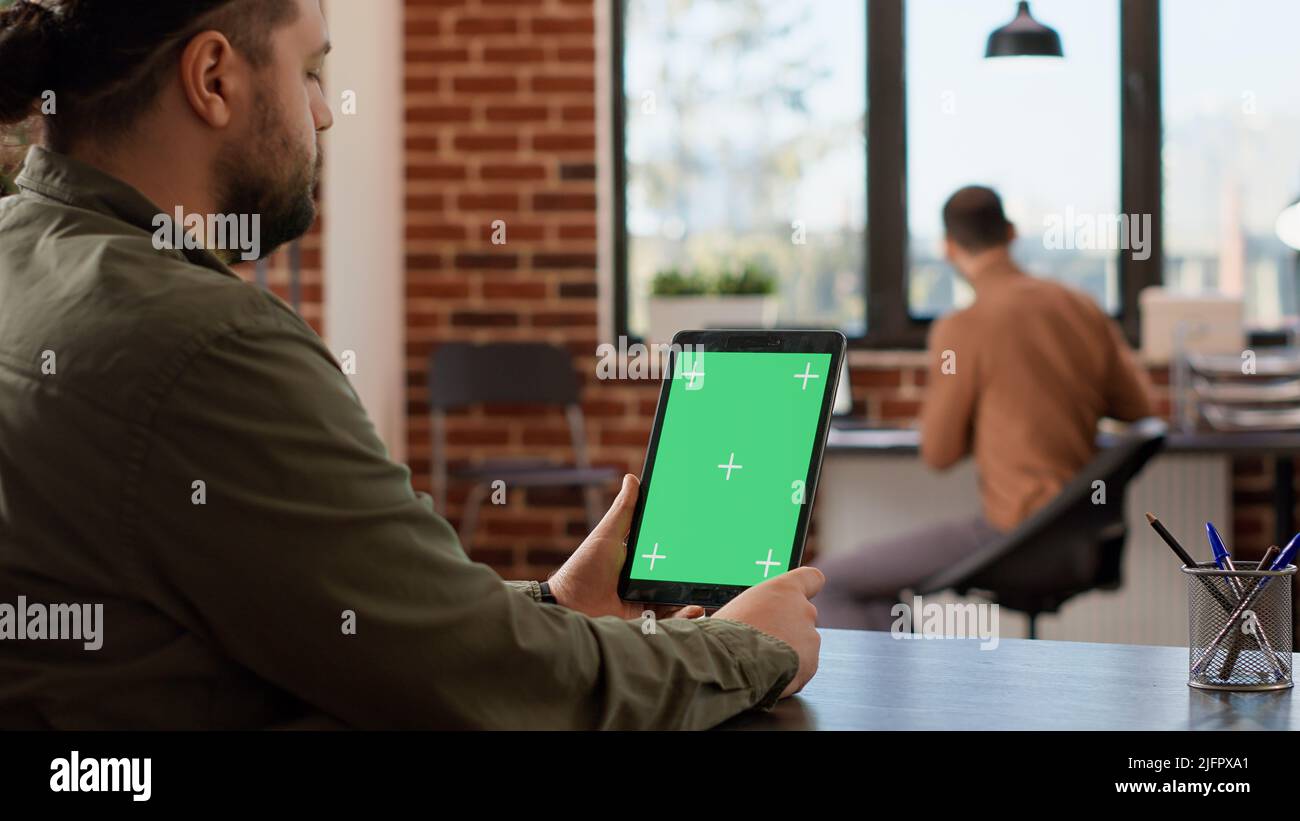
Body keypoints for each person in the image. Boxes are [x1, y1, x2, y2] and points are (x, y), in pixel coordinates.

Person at [0, 0, 822, 729]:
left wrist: (555, 603)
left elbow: (321, 617)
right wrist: (744, 648)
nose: (323, 113)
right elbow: (498, 691)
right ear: (214, 77)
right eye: (311, 70)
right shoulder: (210, 346)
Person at [815, 186, 1153, 630]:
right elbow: (1139, 407)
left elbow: (939, 453)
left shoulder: (963, 327)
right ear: (1011, 233)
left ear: (949, 248)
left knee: (827, 584)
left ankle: (903, 699)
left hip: (1014, 535)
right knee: (873, 593)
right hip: (1082, 537)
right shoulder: (1081, 306)